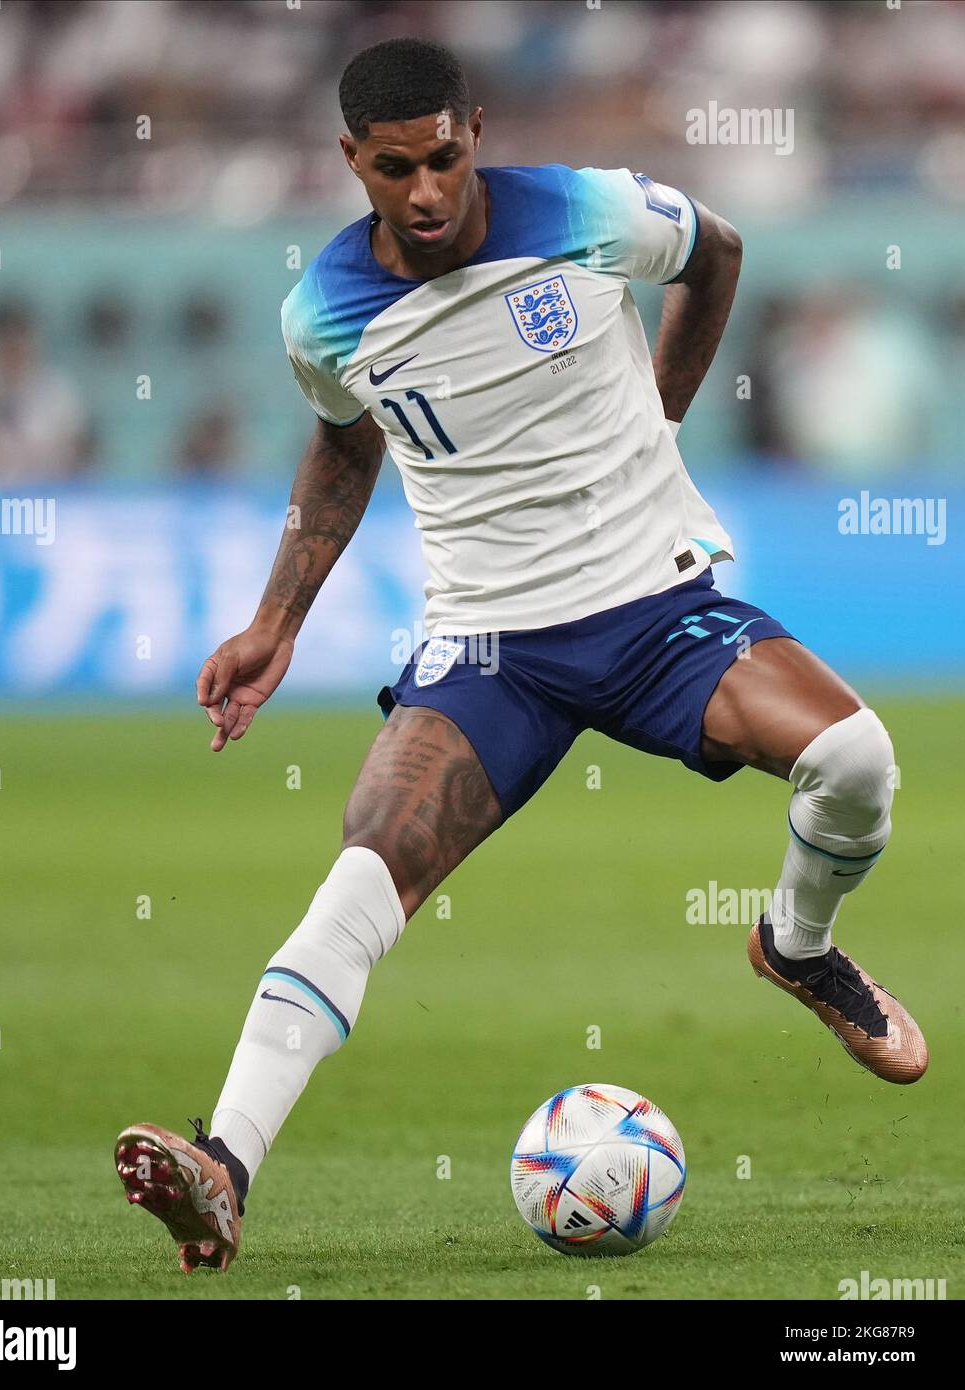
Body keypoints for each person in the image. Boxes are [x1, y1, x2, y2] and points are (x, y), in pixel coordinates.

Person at [114, 37, 927, 1274]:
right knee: (362, 874)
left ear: (475, 130)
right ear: (352, 161)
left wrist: (659, 411)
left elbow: (716, 256)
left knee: (855, 759)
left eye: (444, 157)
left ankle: (796, 946)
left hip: (653, 611)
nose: (427, 191)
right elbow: (344, 445)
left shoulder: (583, 210)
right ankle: (220, 1167)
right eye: (395, 169)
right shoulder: (321, 310)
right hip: (491, 646)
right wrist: (275, 621)